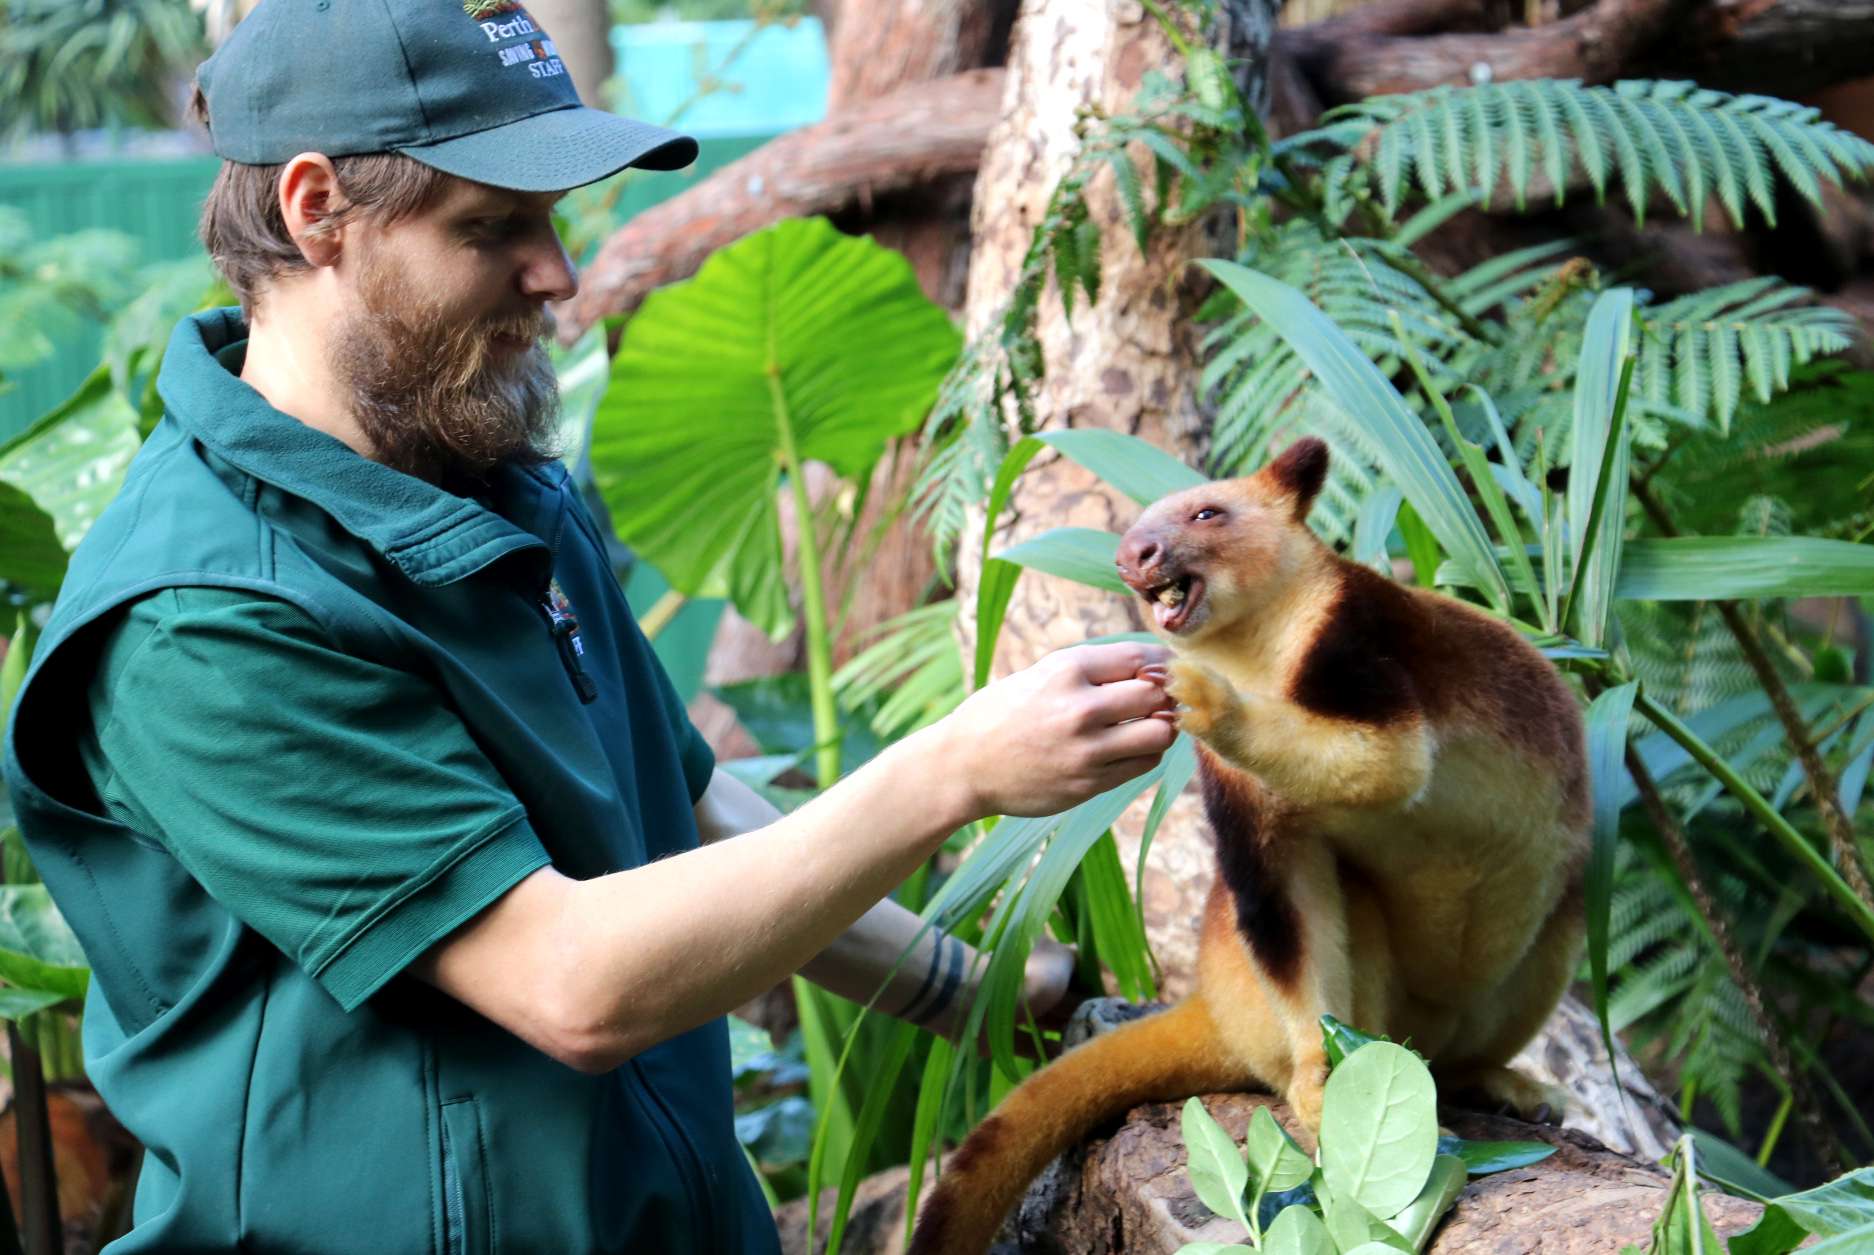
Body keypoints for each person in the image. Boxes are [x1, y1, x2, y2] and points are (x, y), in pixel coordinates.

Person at [0, 2, 1179, 1251]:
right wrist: (955, 770)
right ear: (316, 209)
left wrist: (1003, 996)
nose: (556, 273)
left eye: (552, 221)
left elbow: (689, 803)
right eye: (491, 227)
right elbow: (572, 983)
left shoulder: (487, 481)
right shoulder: (203, 616)